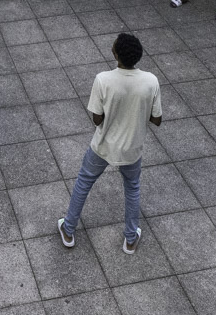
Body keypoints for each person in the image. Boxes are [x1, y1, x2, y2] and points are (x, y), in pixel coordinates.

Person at [57, 32, 162, 254]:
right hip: (132, 149)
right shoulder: (151, 81)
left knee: (84, 182)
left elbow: (97, 119)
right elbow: (157, 119)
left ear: (115, 54)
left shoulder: (103, 79)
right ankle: (131, 239)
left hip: (103, 146)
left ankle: (68, 230)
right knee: (132, 188)